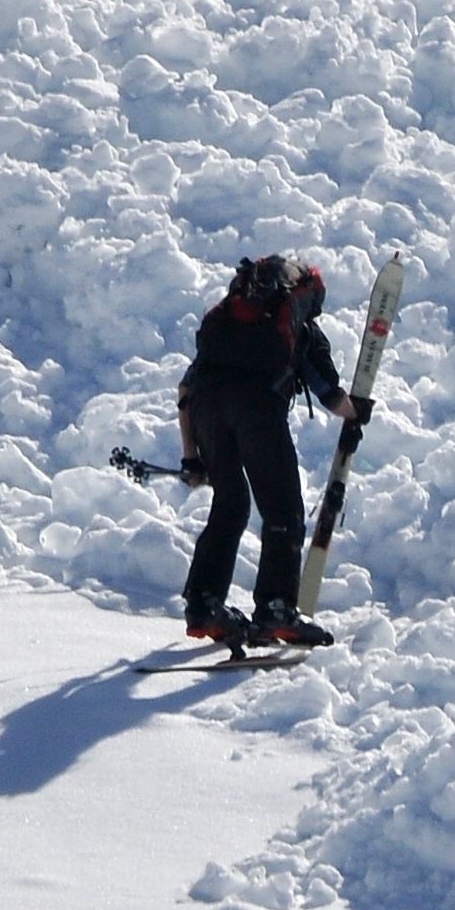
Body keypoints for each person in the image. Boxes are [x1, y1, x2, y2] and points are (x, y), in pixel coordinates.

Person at [177, 254, 361, 648]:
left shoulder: (226, 325)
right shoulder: (299, 330)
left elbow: (186, 390)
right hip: (256, 411)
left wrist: (191, 457)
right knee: (282, 509)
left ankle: (203, 605)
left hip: (207, 409)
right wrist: (356, 413)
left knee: (230, 505)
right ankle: (276, 609)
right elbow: (331, 396)